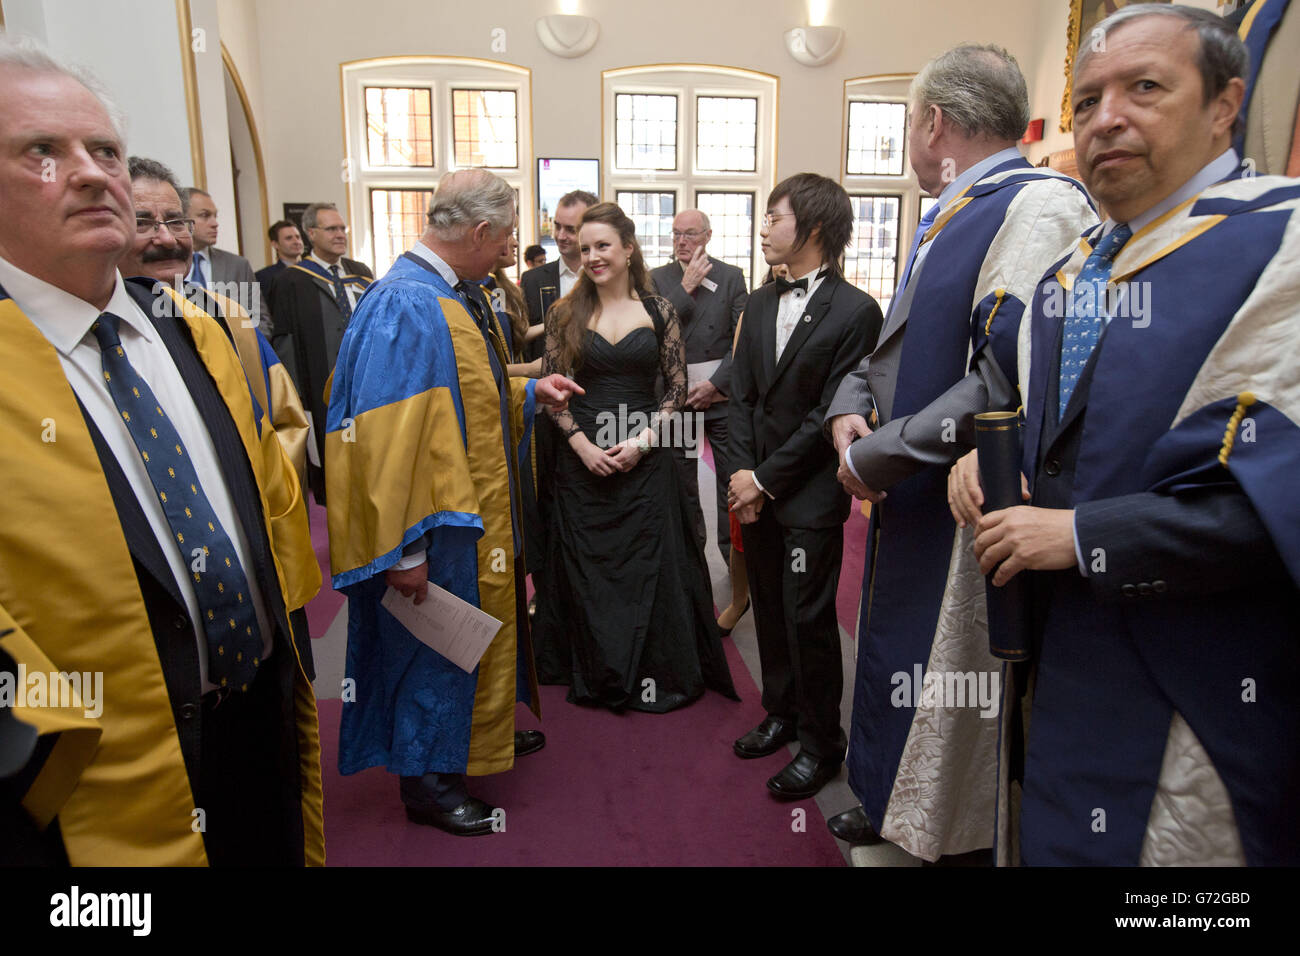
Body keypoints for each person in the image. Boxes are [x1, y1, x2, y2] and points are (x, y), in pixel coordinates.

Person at [951, 4, 1300, 865]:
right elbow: (1058, 424)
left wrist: (1082, 536)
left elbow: (1280, 492)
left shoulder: (1279, 243)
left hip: (1195, 675)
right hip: (1057, 653)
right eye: (1088, 99)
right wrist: (986, 457)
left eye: (1145, 88)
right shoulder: (1074, 270)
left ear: (1224, 104)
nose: (1106, 117)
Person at [0, 37, 323, 865]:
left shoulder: (201, 331)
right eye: (42, 151)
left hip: (255, 720)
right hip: (88, 776)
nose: (91, 173)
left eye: (103, 149)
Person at [821, 45, 1096, 860]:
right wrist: (848, 409)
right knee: (886, 649)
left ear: (934, 121)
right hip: (909, 490)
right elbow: (889, 347)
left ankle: (940, 827)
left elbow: (1005, 374)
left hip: (960, 500)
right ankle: (879, 793)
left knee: (943, 671)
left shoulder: (1038, 205)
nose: (911, 135)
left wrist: (879, 456)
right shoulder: (954, 207)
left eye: (910, 121)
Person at [325, 168, 582, 836]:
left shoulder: (449, 294)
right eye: (504, 237)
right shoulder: (408, 303)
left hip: (467, 518)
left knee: (471, 641)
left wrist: (527, 392)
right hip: (431, 532)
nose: (509, 250)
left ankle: (471, 738)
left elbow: (460, 403)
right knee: (434, 650)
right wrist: (403, 549)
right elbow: (384, 442)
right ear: (477, 231)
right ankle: (429, 784)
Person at [531, 202, 737, 712]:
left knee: (649, 561)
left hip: (646, 450)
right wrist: (581, 446)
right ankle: (597, 665)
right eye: (585, 249)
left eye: (603, 246)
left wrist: (641, 443)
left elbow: (674, 390)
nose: (594, 257)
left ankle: (648, 666)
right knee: (589, 564)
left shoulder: (660, 309)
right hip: (580, 452)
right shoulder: (562, 314)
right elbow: (552, 394)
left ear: (628, 248)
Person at [727, 174, 883, 799]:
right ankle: (781, 713)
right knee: (767, 605)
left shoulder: (857, 312)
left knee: (809, 618)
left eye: (774, 217)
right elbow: (740, 395)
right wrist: (742, 475)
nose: (763, 228)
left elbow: (830, 414)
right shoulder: (760, 301)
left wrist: (764, 478)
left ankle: (822, 745)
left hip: (811, 491)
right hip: (753, 486)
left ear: (814, 228)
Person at [122, 157, 311, 490]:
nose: (167, 238)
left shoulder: (229, 318)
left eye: (176, 222)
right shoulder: (97, 334)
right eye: (142, 223)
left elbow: (283, 427)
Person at [651, 208, 749, 566]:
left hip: (720, 397)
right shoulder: (657, 279)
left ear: (708, 236)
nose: (681, 241)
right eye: (676, 234)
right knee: (684, 489)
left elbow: (742, 342)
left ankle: (733, 561)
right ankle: (692, 563)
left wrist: (717, 383)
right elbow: (652, 333)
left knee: (731, 484)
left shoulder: (732, 277)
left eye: (690, 234)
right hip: (676, 398)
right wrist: (685, 288)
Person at [270, 201, 374, 504]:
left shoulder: (360, 273)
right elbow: (285, 343)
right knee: (333, 465)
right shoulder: (291, 280)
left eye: (342, 228)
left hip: (366, 383)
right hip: (320, 388)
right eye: (331, 229)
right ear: (311, 233)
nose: (340, 234)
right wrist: (295, 398)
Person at [181, 186, 267, 333]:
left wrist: (240, 349)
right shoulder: (165, 265)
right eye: (204, 215)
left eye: (215, 216)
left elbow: (260, 322)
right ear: (182, 219)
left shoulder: (238, 266)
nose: (215, 223)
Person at [255, 219, 305, 313]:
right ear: (275, 244)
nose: (296, 241)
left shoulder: (314, 271)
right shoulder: (263, 277)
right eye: (289, 238)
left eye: (298, 237)